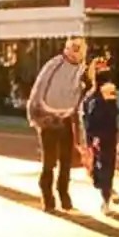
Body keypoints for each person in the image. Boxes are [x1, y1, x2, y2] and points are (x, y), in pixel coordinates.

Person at [27, 36, 87, 212]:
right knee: (50, 160)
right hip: (48, 118)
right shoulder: (54, 64)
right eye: (73, 47)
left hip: (66, 117)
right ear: (67, 48)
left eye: (80, 48)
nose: (77, 51)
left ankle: (63, 192)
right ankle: (47, 193)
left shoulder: (82, 69)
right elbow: (39, 87)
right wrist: (36, 115)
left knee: (67, 160)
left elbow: (80, 93)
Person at [82, 58, 119, 213]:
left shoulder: (103, 93)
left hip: (106, 135)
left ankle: (107, 194)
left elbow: (112, 115)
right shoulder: (92, 96)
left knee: (106, 166)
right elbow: (88, 117)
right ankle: (107, 192)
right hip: (99, 135)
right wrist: (90, 137)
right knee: (101, 168)